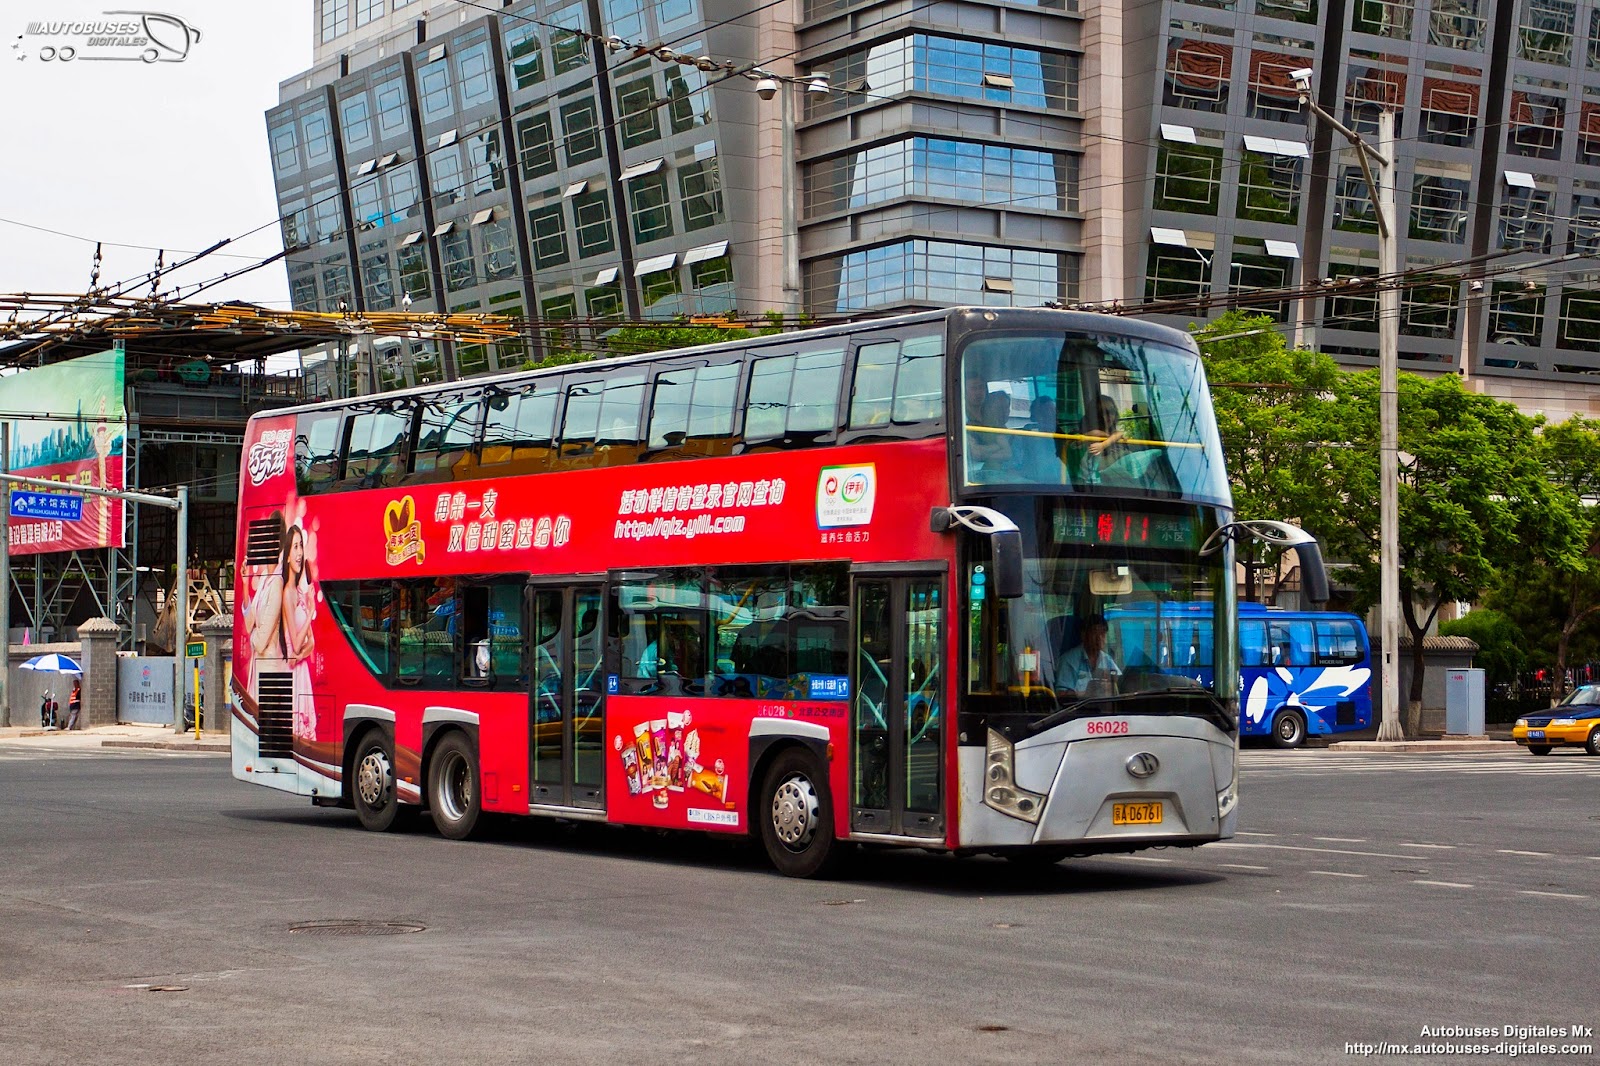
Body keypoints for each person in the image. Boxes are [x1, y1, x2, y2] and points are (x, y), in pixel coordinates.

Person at [280, 524, 317, 741]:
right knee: (297, 733)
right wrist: (310, 611)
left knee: (305, 735)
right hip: (293, 676)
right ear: (287, 556)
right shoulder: (288, 593)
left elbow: (312, 642)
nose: (299, 553)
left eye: (301, 546)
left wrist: (299, 655)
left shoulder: (300, 593)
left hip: (301, 671)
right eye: (295, 547)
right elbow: (296, 642)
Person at [1056, 615, 1121, 697]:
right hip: (1080, 705)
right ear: (1083, 635)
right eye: (1095, 632)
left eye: (1103, 633)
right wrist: (1087, 694)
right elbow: (1061, 694)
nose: (1099, 638)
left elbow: (1119, 684)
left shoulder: (1107, 659)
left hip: (1105, 704)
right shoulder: (1069, 660)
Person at [967, 390, 1014, 481]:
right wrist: (998, 446)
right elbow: (976, 453)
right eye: (999, 408)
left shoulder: (1006, 430)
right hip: (982, 476)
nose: (1004, 412)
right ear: (988, 409)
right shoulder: (973, 427)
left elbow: (1007, 453)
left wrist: (985, 453)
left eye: (1006, 408)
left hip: (1008, 474)